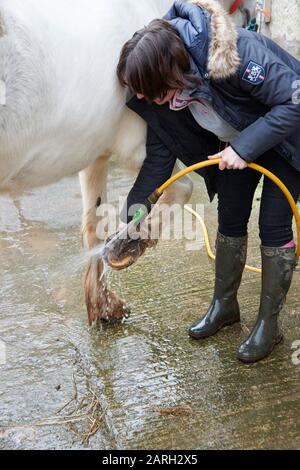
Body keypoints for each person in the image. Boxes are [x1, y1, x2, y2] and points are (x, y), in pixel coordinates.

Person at [116, 0, 300, 363]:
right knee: (230, 216)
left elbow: (294, 103)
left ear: (167, 72)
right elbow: (158, 160)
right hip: (237, 142)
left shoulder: (234, 56)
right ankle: (225, 307)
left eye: (144, 88)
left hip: (287, 138)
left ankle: (268, 325)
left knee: (273, 223)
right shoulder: (163, 93)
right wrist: (129, 219)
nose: (139, 96)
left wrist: (245, 148)